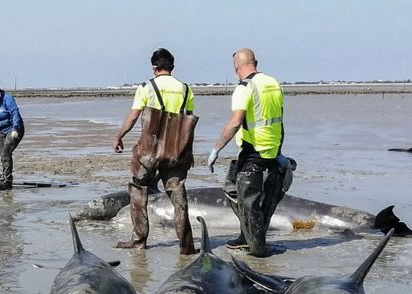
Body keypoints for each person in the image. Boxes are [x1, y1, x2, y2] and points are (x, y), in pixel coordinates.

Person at [112, 48, 195, 253]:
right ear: (172, 67)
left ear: (154, 67)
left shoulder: (146, 87)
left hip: (149, 150)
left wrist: (119, 136)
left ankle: (139, 240)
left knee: (139, 189)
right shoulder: (185, 89)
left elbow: (133, 117)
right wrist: (188, 153)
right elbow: (188, 122)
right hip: (176, 150)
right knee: (178, 197)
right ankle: (186, 245)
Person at [207, 48, 286, 258]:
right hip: (272, 150)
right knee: (231, 188)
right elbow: (278, 117)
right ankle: (246, 236)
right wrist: (278, 151)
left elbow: (235, 122)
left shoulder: (244, 87)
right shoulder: (273, 83)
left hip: (254, 153)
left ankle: (259, 253)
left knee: (250, 204)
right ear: (255, 62)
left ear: (236, 67)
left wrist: (216, 149)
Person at [0, 80, 24, 190]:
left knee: (6, 152)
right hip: (2, 131)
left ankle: (7, 180)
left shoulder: (7, 98)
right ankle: (4, 176)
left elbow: (15, 112)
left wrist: (15, 128)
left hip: (14, 129)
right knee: (3, 155)